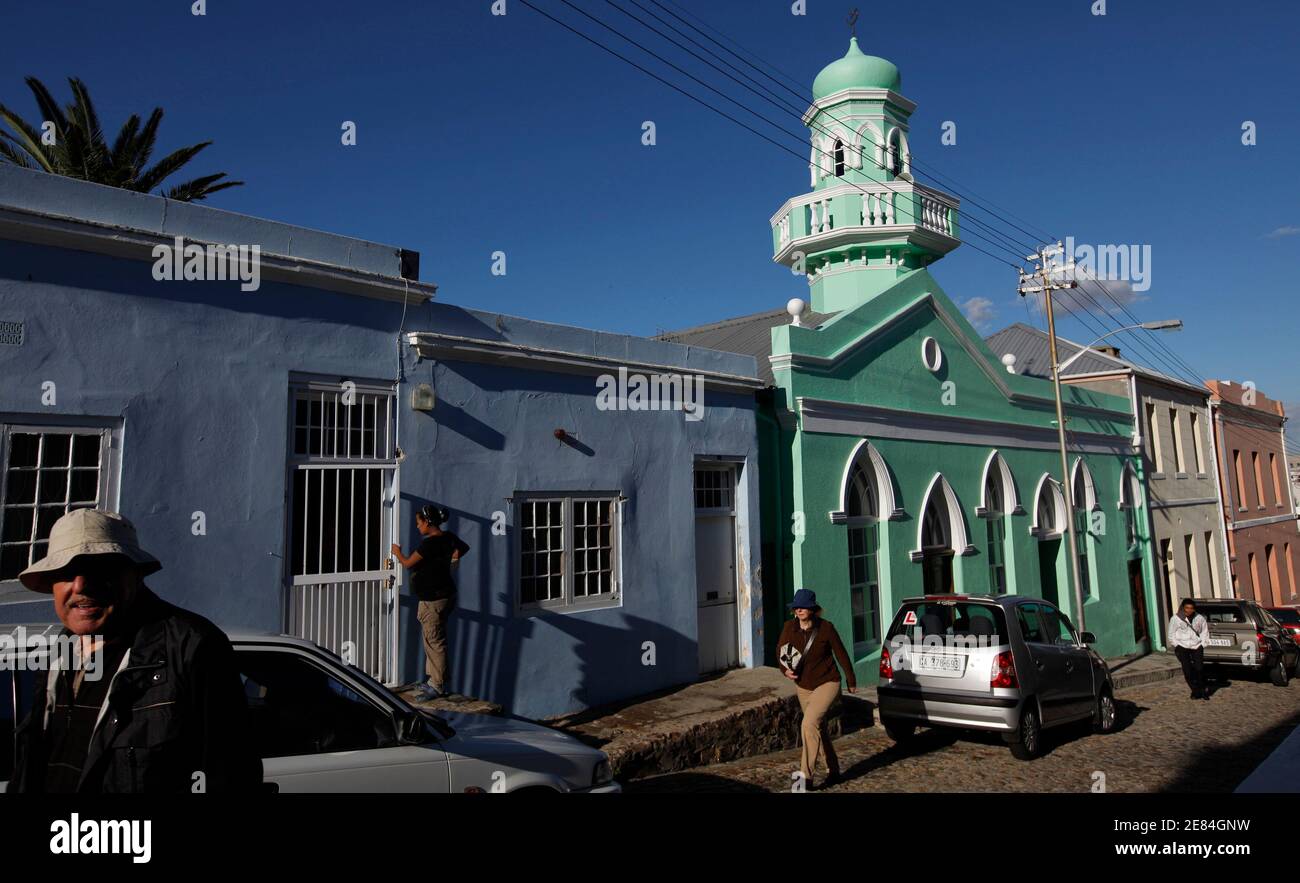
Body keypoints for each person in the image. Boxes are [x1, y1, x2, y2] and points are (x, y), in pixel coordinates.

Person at [10, 509, 262, 793]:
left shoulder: (193, 646)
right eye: (66, 572)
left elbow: (230, 775)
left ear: (135, 575)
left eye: (98, 568)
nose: (80, 585)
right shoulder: (63, 649)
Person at [776, 588, 856, 790]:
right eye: (796, 607)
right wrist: (784, 670)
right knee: (817, 728)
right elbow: (780, 652)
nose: (799, 610)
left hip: (827, 682)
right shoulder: (789, 627)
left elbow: (841, 654)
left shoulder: (826, 628)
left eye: (804, 606)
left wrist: (851, 679)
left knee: (808, 724)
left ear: (813, 609)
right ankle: (833, 770)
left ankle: (804, 779)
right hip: (803, 686)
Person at [392, 505, 469, 701]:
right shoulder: (449, 537)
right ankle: (432, 679)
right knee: (432, 638)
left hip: (434, 600)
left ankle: (437, 685)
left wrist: (396, 552)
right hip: (445, 595)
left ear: (427, 522)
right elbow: (464, 548)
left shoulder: (429, 544)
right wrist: (454, 556)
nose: (418, 527)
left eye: (419, 523)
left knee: (435, 640)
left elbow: (408, 563)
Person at [1167, 597, 1209, 700]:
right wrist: (1176, 645)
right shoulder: (1176, 619)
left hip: (1196, 646)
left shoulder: (1199, 618)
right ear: (1183, 608)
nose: (1189, 610)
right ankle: (1195, 691)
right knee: (1188, 670)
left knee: (1199, 669)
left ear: (1194, 609)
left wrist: (1203, 644)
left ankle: (1202, 689)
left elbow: (1204, 631)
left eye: (1191, 608)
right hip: (1182, 646)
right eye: (1187, 608)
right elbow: (1171, 634)